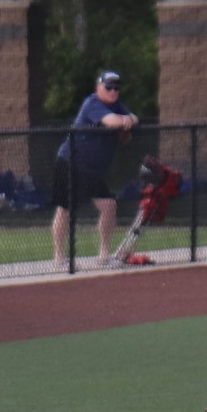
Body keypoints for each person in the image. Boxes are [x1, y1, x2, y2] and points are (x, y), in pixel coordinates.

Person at [49, 70, 138, 267]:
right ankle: (59, 258)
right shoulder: (92, 103)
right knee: (65, 209)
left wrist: (128, 120)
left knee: (109, 206)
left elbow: (133, 117)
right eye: (108, 87)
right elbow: (112, 122)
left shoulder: (116, 106)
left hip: (93, 171)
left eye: (116, 88)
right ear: (98, 88)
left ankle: (104, 255)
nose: (113, 91)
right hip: (71, 162)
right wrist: (124, 121)